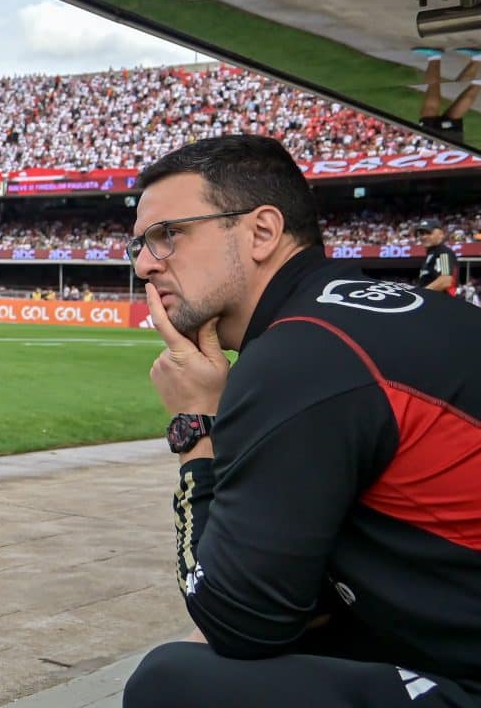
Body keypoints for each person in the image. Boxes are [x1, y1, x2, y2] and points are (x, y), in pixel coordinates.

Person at [122, 134, 481, 708]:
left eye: (168, 236)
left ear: (262, 232)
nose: (145, 264)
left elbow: (239, 621)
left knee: (173, 684)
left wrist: (194, 427)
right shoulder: (375, 314)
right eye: (139, 243)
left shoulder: (299, 354)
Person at [412, 47, 481, 139]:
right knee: (429, 112)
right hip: (440, 143)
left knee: (453, 116)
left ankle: (478, 58)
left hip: (453, 141)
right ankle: (434, 57)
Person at [416, 219, 459, 297]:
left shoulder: (443, 252)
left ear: (441, 234)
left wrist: (420, 295)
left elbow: (445, 280)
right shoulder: (431, 254)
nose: (424, 236)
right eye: (422, 233)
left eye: (429, 232)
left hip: (443, 305)